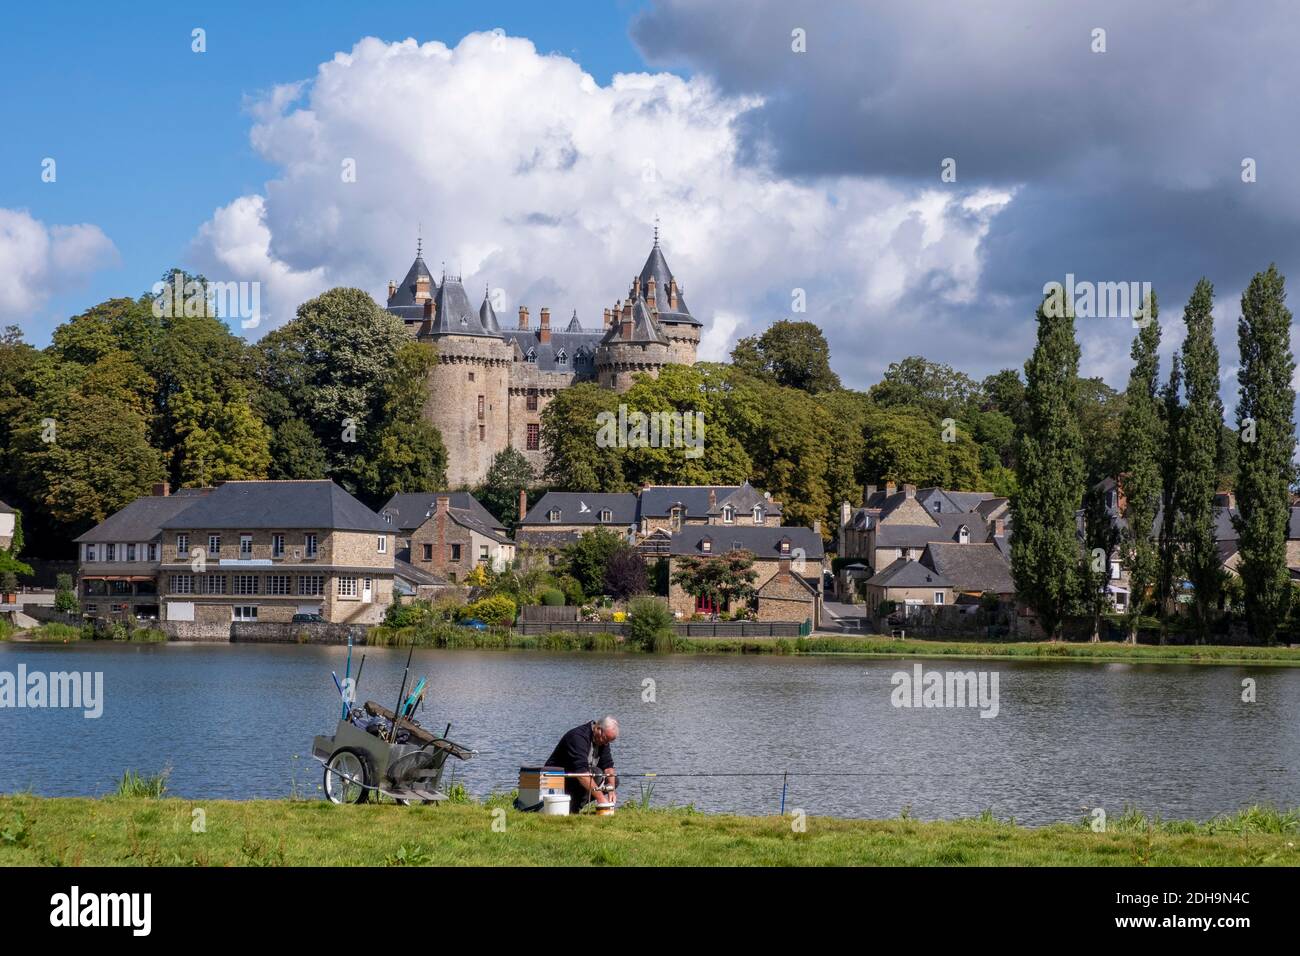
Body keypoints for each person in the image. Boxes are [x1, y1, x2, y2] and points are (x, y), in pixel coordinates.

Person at [545, 716, 618, 811]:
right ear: (598, 729)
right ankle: (571, 807)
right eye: (605, 739)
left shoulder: (602, 741)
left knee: (613, 780)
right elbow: (582, 773)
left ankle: (574, 807)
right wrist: (601, 799)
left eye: (609, 741)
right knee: (596, 773)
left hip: (577, 777)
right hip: (558, 778)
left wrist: (611, 789)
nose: (606, 743)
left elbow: (608, 766)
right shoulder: (578, 737)